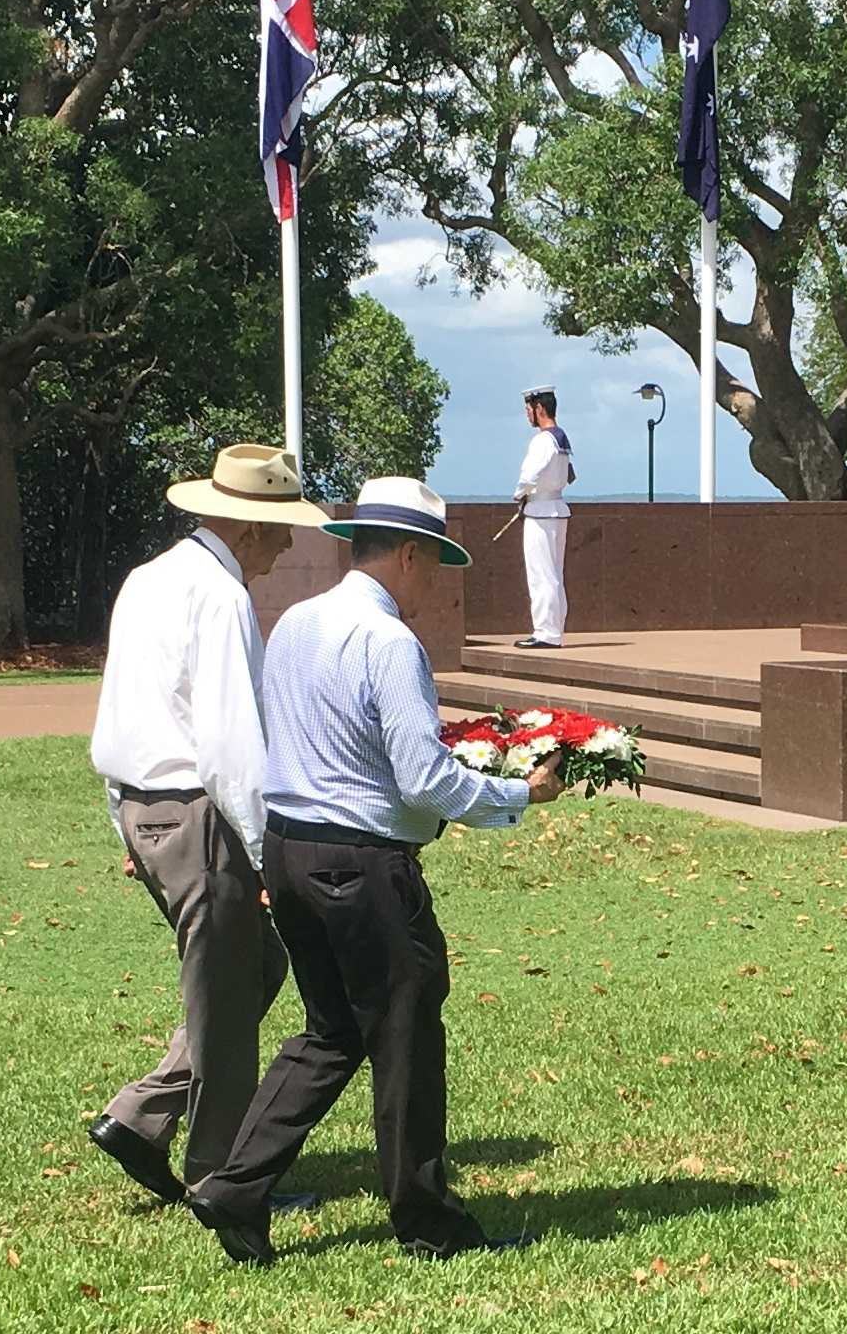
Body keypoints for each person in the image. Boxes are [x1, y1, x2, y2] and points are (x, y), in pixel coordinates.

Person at [190, 477, 562, 1266]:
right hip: (362, 864)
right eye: (434, 565)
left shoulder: (293, 621)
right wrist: (516, 793)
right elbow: (423, 779)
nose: (434, 583)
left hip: (291, 851)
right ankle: (426, 1221)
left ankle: (234, 1186)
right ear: (407, 555)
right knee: (406, 1037)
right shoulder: (391, 644)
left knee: (329, 1032)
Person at [84, 443, 330, 1205]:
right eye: (282, 526)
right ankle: (221, 1174)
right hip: (199, 816)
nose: (288, 541)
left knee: (253, 968)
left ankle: (144, 1115)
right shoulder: (221, 598)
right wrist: (264, 856)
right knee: (226, 1002)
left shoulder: (148, 578)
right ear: (250, 527)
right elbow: (230, 742)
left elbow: (121, 707)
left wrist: (127, 825)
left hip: (145, 807)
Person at [511, 387, 574, 648]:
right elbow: (569, 475)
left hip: (541, 509)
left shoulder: (543, 440)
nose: (528, 415)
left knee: (541, 574)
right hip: (556, 508)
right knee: (554, 573)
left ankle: (546, 632)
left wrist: (520, 494)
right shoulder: (561, 438)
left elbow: (529, 476)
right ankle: (553, 628)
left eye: (529, 409)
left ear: (539, 409)